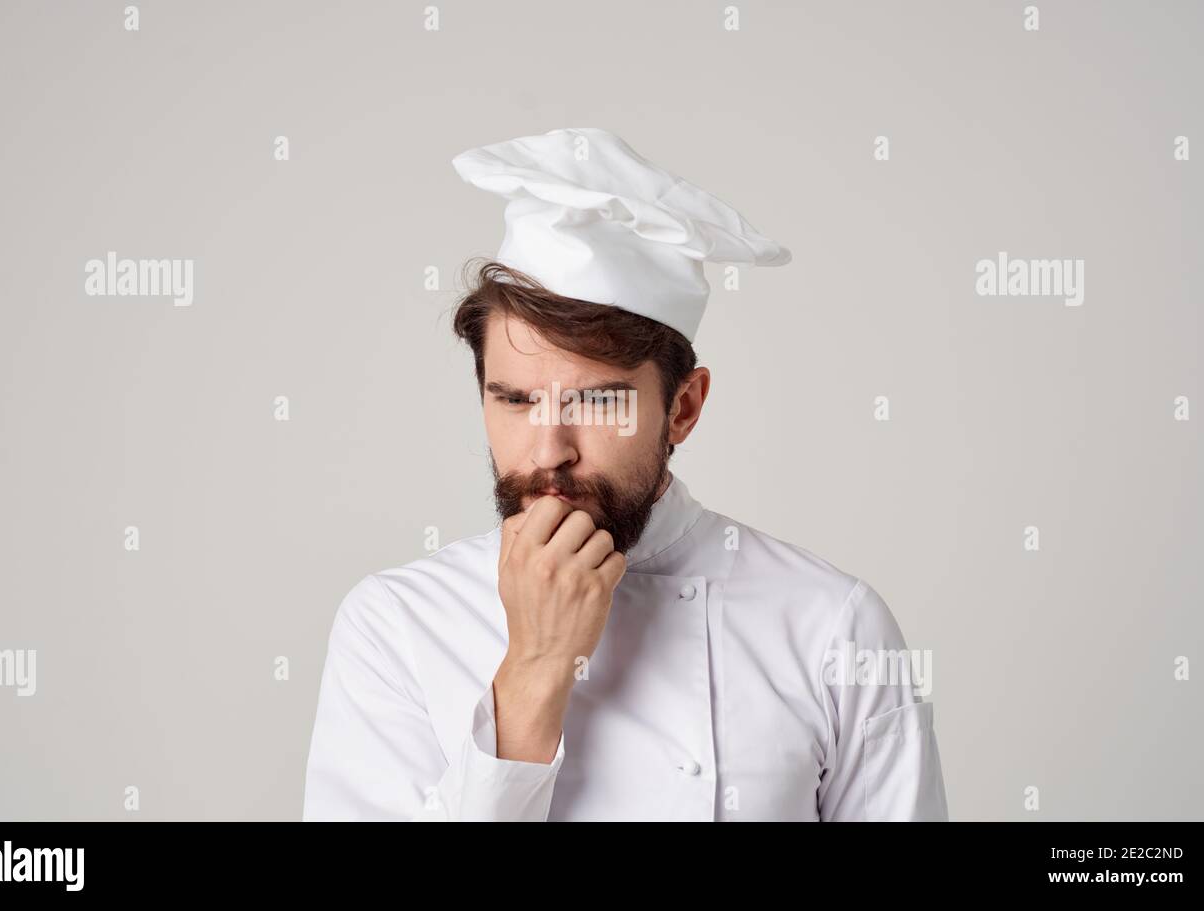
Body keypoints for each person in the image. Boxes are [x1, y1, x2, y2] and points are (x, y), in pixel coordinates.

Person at [303, 127, 948, 821]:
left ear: (683, 407)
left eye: (595, 399)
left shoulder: (832, 627)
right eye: (515, 399)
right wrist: (535, 669)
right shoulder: (395, 624)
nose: (548, 449)